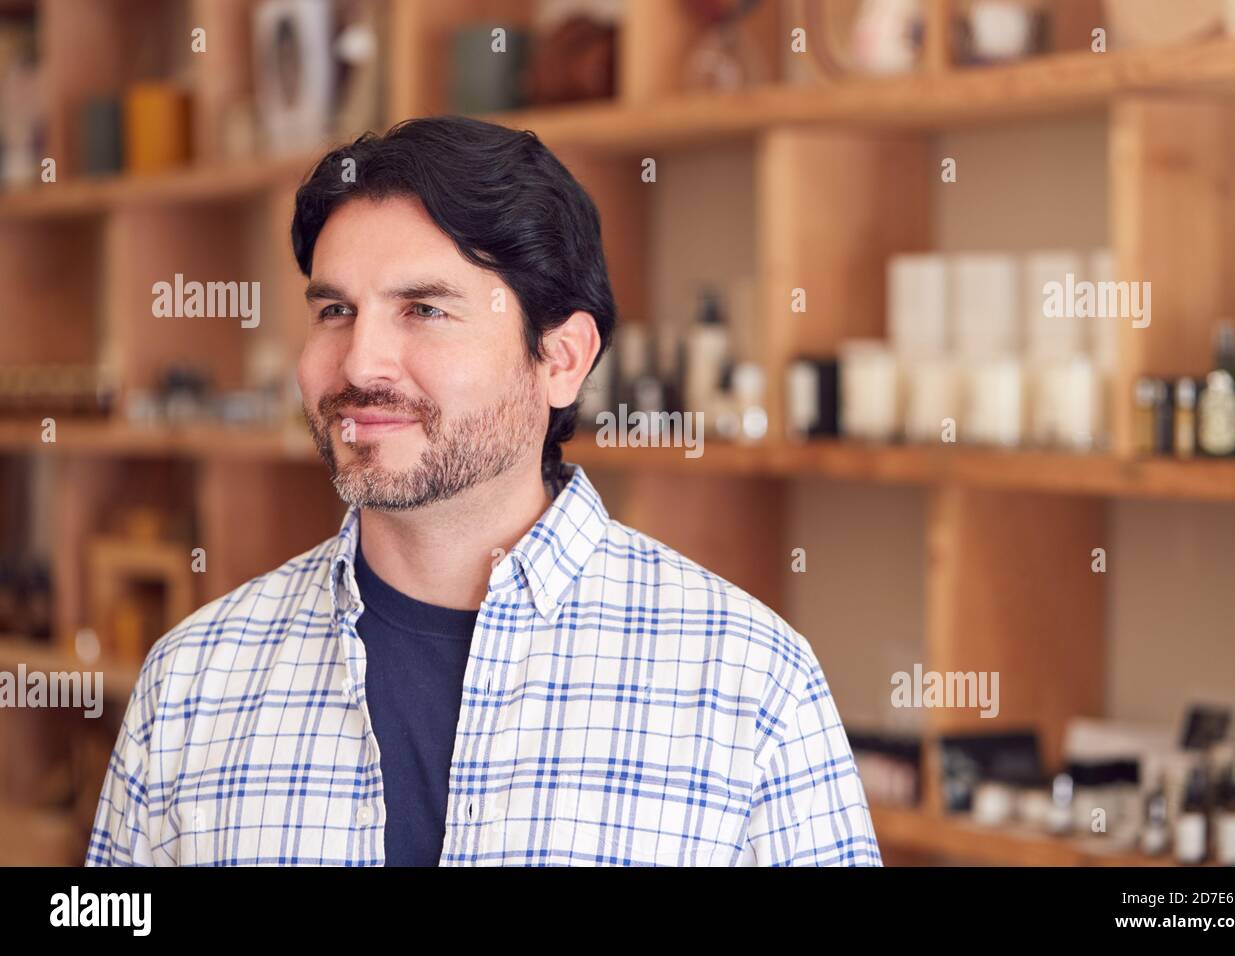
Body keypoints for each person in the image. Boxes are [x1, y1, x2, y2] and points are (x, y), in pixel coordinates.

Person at [86, 116, 879, 866]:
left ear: (561, 358)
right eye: (335, 310)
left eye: (424, 310)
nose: (361, 365)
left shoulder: (751, 684)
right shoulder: (191, 683)